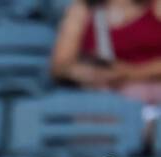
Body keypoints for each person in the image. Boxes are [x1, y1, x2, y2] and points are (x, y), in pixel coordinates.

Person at [51, 0, 161, 140]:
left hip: (154, 98)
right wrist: (91, 74)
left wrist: (131, 73)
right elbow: (61, 66)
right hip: (108, 102)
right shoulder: (82, 9)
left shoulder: (156, 5)